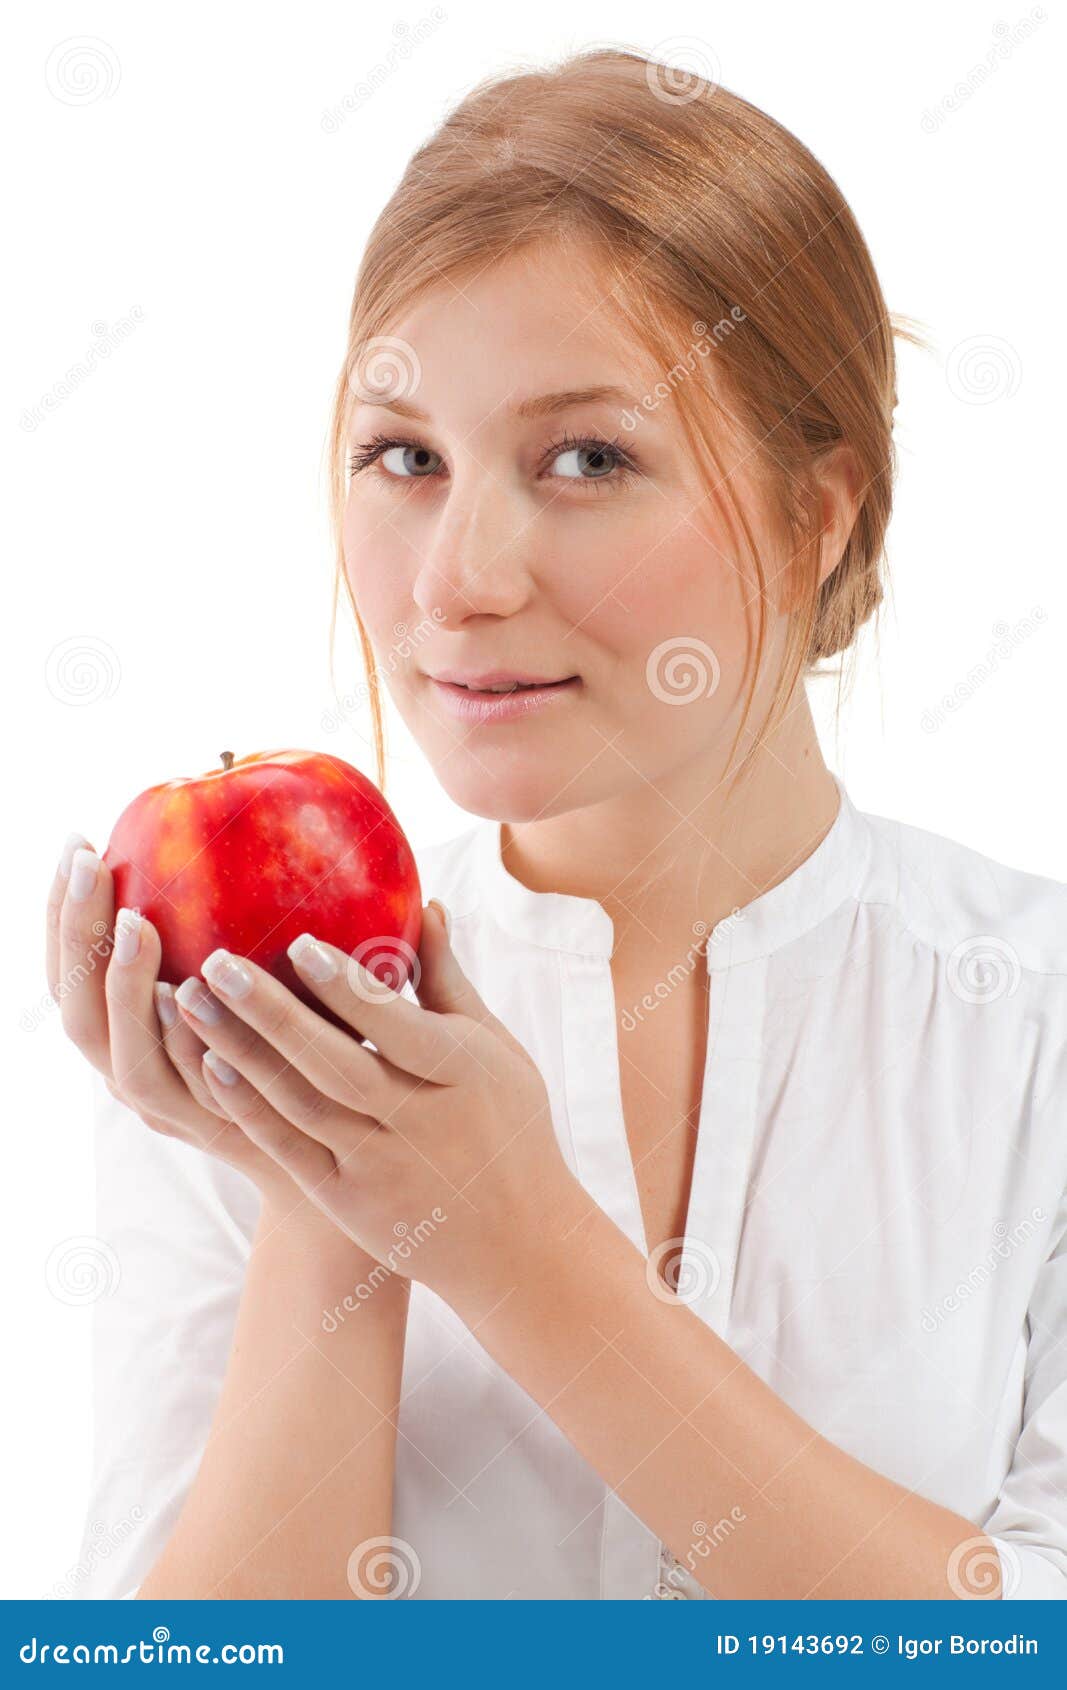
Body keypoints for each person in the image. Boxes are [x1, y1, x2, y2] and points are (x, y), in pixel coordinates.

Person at [47, 48, 1066, 1600]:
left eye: (587, 458)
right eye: (405, 456)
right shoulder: (243, 1039)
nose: (458, 578)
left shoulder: (1033, 1024)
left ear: (816, 515)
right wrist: (325, 1196)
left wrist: (518, 1248)